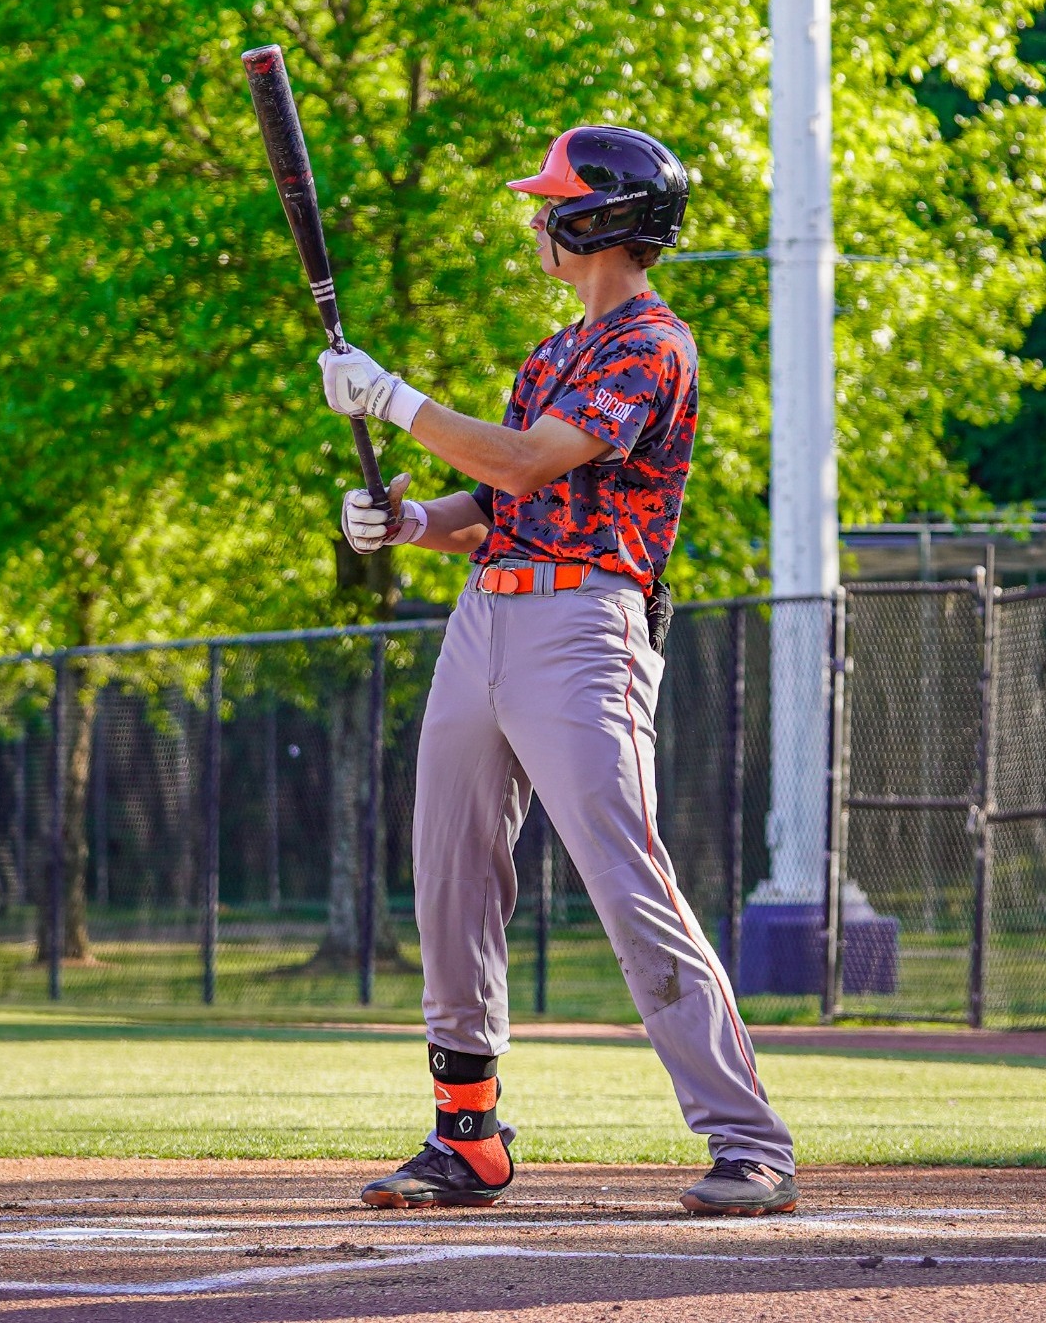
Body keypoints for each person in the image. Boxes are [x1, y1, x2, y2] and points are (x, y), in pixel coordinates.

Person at [320, 127, 797, 1217]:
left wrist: (396, 401)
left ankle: (748, 1140)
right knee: (448, 879)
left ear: (602, 221)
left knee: (629, 879)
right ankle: (468, 1137)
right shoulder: (550, 352)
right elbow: (496, 504)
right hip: (486, 620)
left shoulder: (652, 345)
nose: (539, 218)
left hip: (585, 629)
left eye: (554, 204)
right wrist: (400, 522)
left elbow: (530, 457)